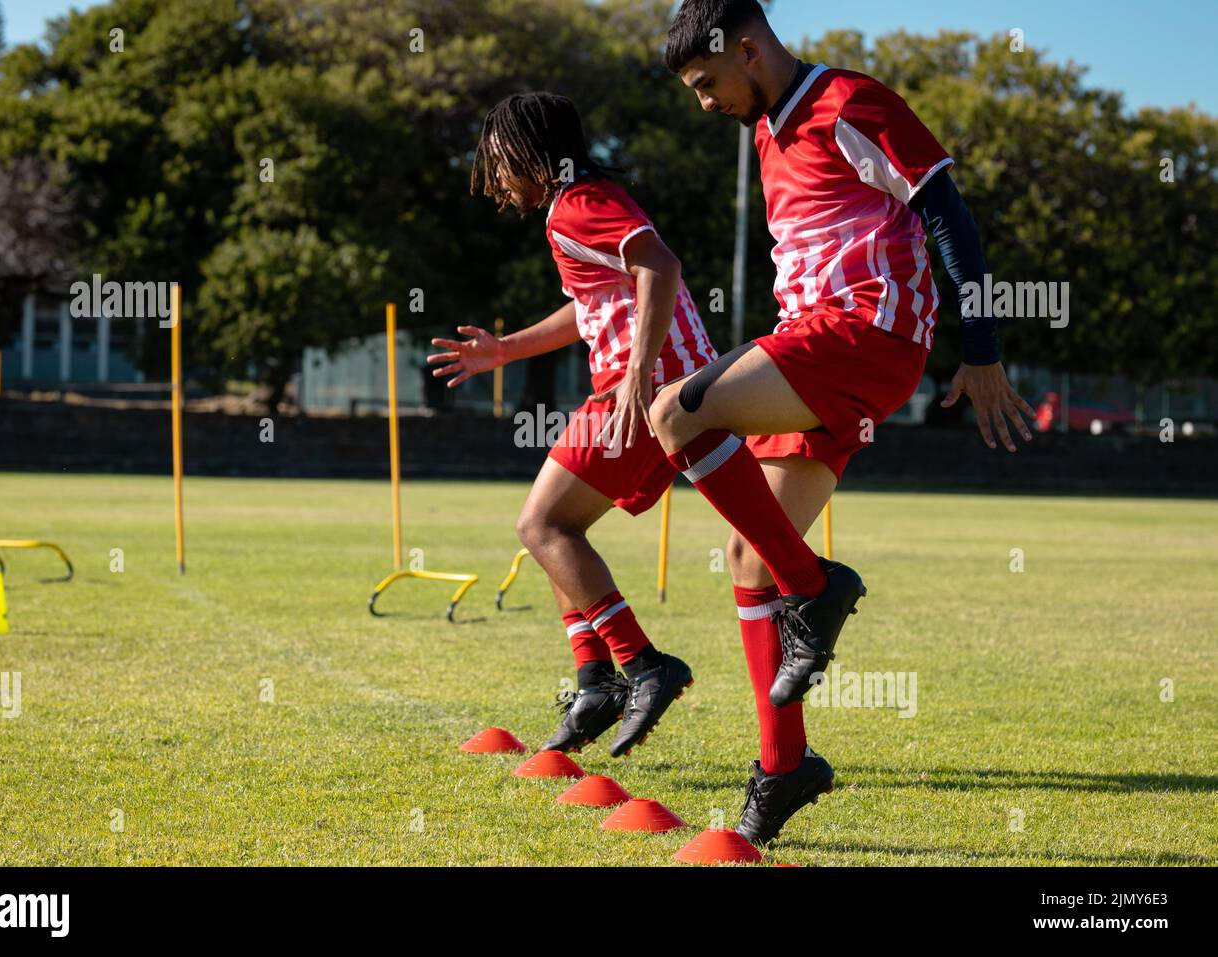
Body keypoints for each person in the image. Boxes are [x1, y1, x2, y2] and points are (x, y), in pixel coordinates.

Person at [660, 0, 1036, 844]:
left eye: (707, 83)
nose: (705, 102)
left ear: (749, 50)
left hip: (866, 333)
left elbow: (950, 215)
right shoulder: (766, 133)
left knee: (673, 413)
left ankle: (818, 586)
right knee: (746, 557)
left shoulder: (851, 103)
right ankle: (785, 768)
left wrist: (981, 348)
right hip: (814, 346)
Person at [428, 93, 717, 757]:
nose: (495, 179)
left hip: (645, 389)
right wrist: (505, 350)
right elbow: (589, 307)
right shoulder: (576, 208)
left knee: (540, 525)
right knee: (558, 530)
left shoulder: (577, 203)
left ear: (532, 152)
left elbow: (661, 266)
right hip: (661, 387)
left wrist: (639, 372)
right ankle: (595, 678)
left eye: (499, 162)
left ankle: (642, 665)